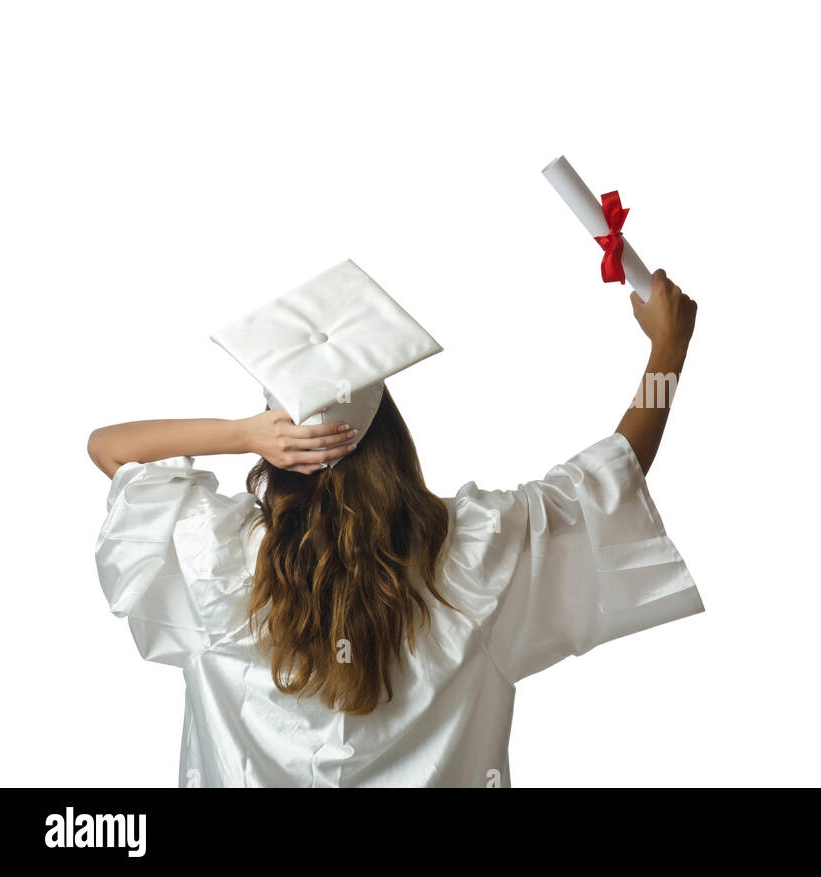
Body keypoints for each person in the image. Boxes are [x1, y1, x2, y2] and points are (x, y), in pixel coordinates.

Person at [89, 264, 702, 787]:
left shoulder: (216, 559)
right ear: (393, 440)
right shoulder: (473, 554)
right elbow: (611, 477)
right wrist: (666, 352)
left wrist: (241, 433)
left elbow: (110, 448)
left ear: (277, 453)